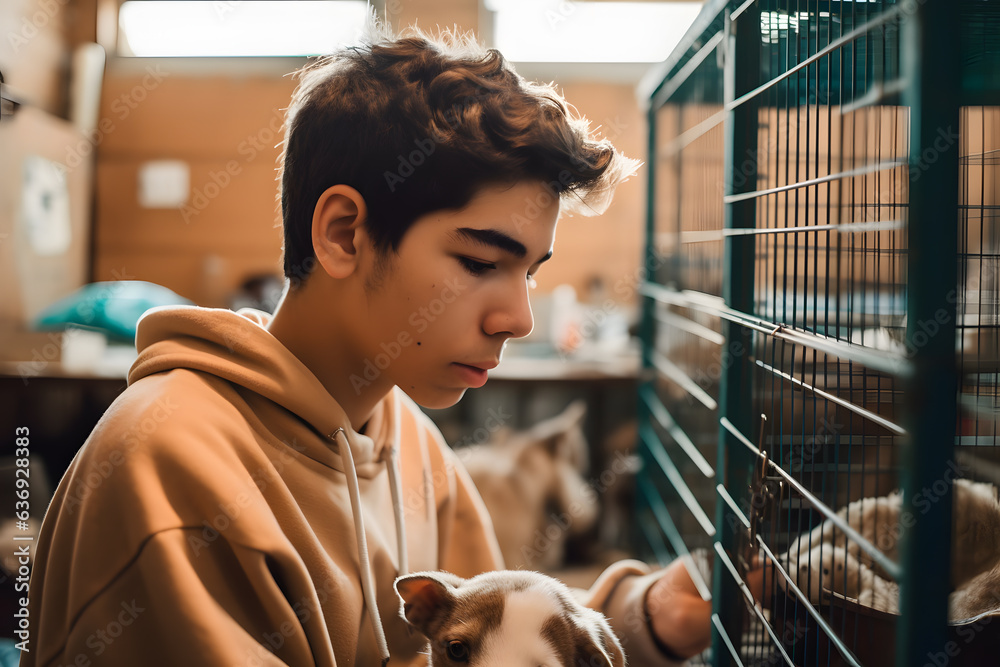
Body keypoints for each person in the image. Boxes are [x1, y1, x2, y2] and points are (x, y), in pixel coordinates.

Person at [22, 20, 711, 666]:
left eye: (529, 271)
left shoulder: (406, 436)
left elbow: (494, 637)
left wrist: (645, 617)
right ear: (345, 233)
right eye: (479, 261)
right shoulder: (166, 467)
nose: (519, 317)